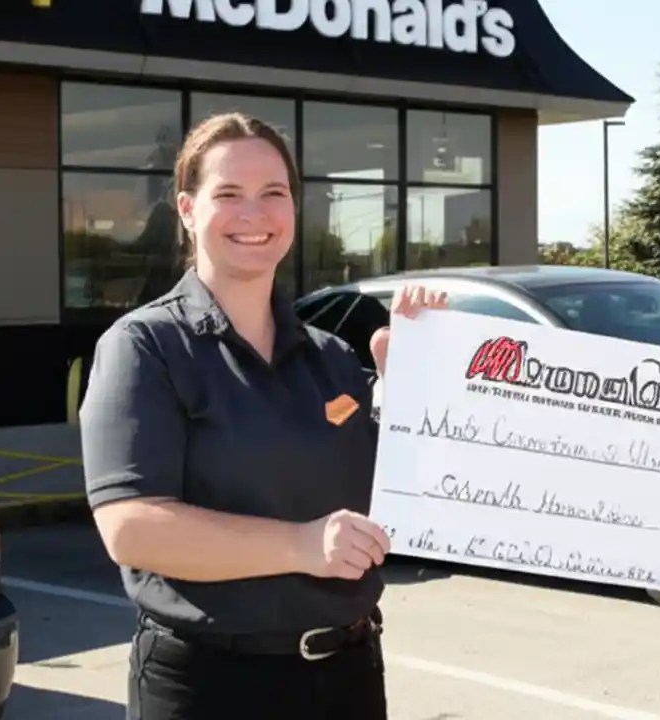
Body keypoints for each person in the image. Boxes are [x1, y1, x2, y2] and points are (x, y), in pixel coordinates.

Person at [78, 111, 446, 720]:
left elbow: (404, 505)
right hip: (210, 686)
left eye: (273, 193)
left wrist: (415, 392)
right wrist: (302, 545)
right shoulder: (145, 346)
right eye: (229, 193)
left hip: (347, 677)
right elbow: (131, 528)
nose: (255, 213)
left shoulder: (331, 359)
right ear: (189, 209)